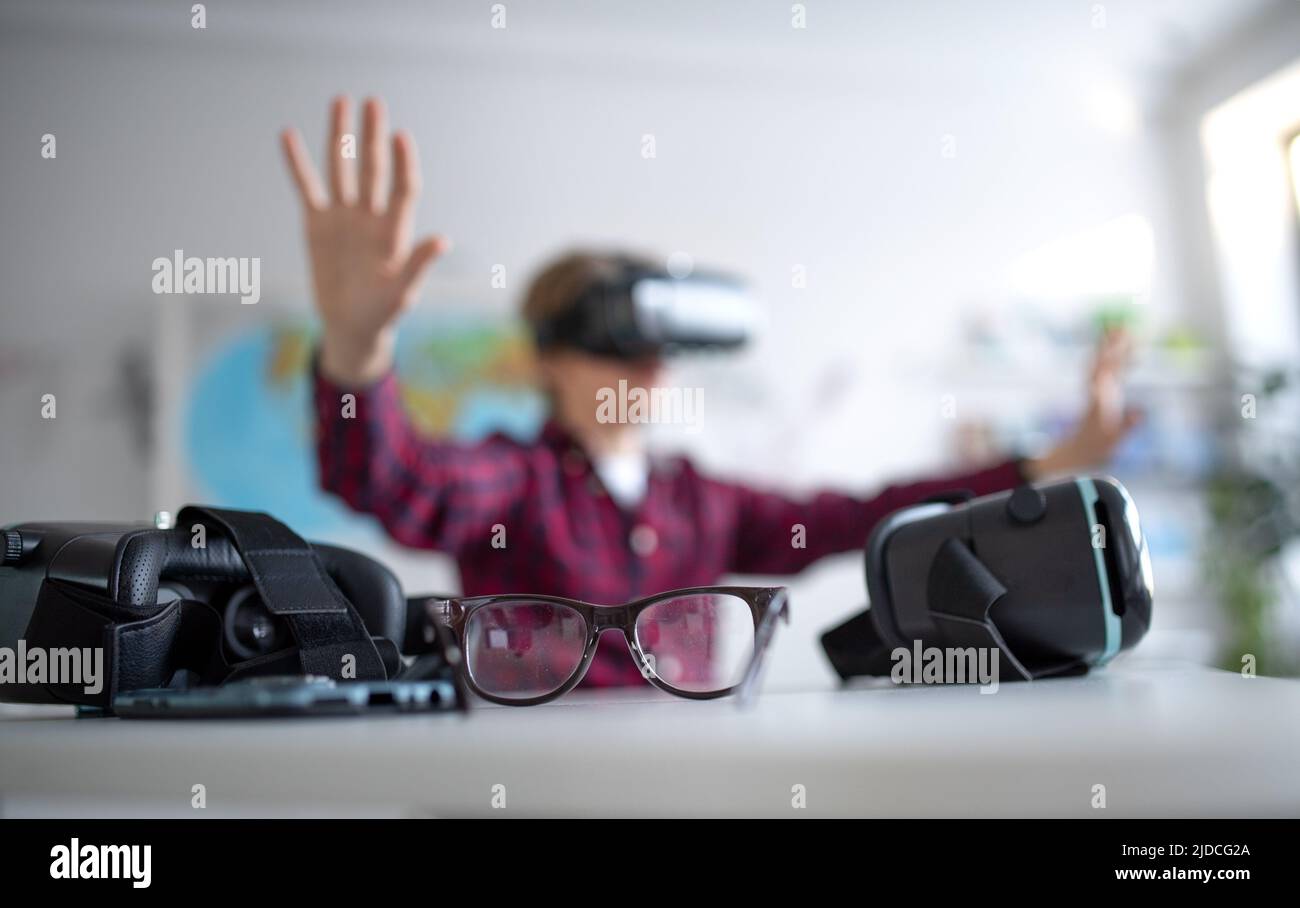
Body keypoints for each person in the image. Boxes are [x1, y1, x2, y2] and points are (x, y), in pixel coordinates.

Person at [280, 96, 1138, 688]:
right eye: (618, 349)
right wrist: (357, 354)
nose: (649, 372)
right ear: (550, 359)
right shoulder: (515, 484)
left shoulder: (700, 499)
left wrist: (1044, 464)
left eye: (660, 350)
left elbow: (859, 514)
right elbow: (395, 478)